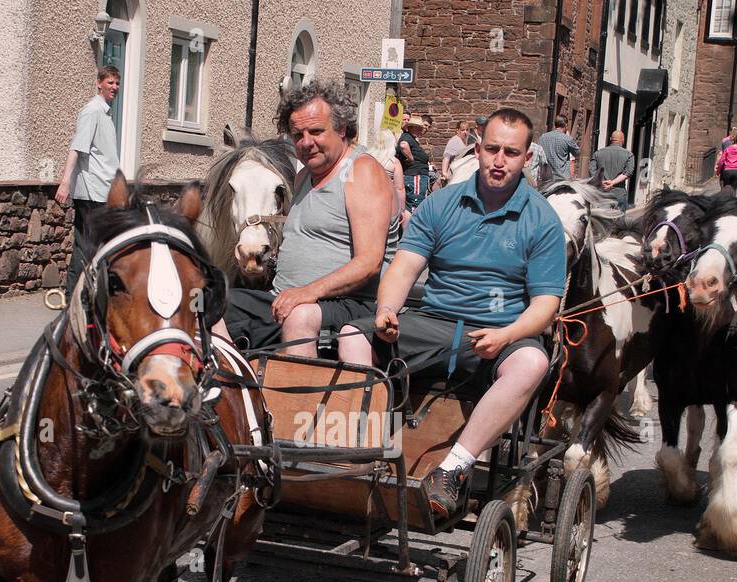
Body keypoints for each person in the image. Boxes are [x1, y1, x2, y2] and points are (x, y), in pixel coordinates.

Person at [369, 108, 566, 518]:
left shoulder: (543, 219)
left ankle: (454, 468)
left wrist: (508, 334)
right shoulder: (441, 204)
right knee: (352, 336)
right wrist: (387, 309)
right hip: (436, 324)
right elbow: (404, 266)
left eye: (510, 152)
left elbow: (546, 305)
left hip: (498, 334)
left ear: (527, 158)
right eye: (492, 148)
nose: (499, 160)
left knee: (532, 361)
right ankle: (363, 447)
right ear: (477, 149)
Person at [216, 80, 399, 366]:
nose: (306, 142)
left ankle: (298, 406)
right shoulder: (303, 178)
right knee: (208, 301)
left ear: (342, 129)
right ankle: (234, 389)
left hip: (349, 306)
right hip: (286, 299)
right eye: (298, 134)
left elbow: (369, 262)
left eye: (316, 131)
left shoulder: (361, 171)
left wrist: (306, 293)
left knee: (300, 315)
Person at [56, 65, 121, 301]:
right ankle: (73, 299)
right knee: (84, 247)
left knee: (97, 247)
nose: (114, 87)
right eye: (110, 82)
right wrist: (65, 183)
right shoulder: (92, 111)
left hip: (104, 190)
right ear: (99, 83)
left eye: (116, 83)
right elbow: (77, 148)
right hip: (92, 192)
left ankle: (89, 296)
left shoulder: (105, 113)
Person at [589, 130, 636, 211]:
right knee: (619, 221)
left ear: (610, 139)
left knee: (602, 219)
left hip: (602, 192)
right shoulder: (629, 154)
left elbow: (591, 170)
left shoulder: (598, 153)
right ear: (623, 140)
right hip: (619, 192)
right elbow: (629, 172)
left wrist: (601, 182)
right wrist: (613, 182)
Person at [397, 114, 433, 211]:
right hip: (415, 176)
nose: (421, 130)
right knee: (415, 205)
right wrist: (410, 158)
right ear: (412, 127)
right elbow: (403, 145)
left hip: (416, 176)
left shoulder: (411, 138)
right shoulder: (407, 137)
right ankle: (413, 225)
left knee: (412, 205)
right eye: (419, 128)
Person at [539, 114, 581, 185]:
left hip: (545, 178)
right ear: (566, 125)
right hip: (562, 178)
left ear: (555, 125)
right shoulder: (567, 139)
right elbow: (577, 153)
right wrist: (569, 137)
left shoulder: (543, 137)